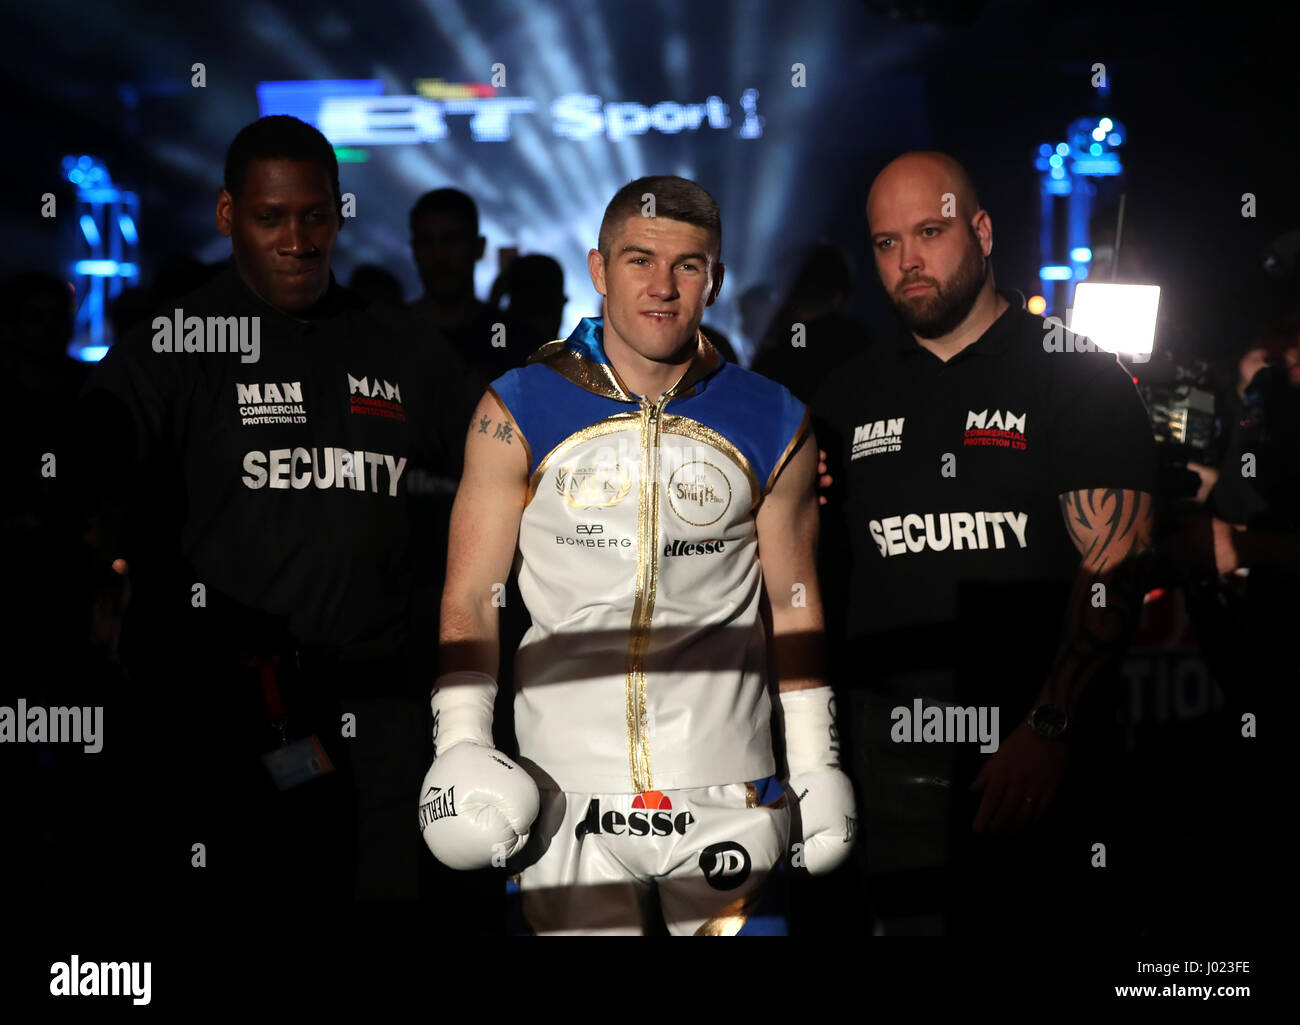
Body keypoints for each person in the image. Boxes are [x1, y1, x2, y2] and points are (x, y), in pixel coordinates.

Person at [418, 175, 856, 935]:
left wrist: (816, 755)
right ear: (598, 268)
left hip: (730, 788)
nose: (662, 285)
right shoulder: (516, 406)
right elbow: (470, 594)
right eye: (639, 259)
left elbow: (797, 600)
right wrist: (459, 741)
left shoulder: (776, 416)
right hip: (564, 792)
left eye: (688, 264)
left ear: (714, 278)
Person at [71, 115, 481, 909]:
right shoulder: (181, 339)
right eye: (270, 217)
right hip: (232, 713)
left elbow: (506, 447)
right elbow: (94, 443)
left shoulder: (396, 342)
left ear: (338, 213)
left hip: (382, 709)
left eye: (315, 216)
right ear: (229, 216)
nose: (298, 239)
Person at [812, 151, 1158, 935]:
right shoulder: (842, 395)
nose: (909, 261)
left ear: (983, 230)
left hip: (1034, 753)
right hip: (883, 758)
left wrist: (1050, 726)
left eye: (930, 232)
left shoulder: (1078, 378)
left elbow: (1117, 569)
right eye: (886, 243)